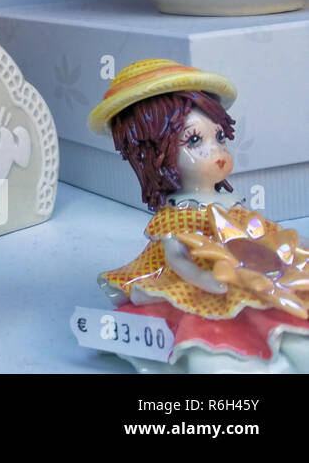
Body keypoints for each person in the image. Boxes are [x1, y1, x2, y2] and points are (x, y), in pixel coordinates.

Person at [92, 59, 309, 372]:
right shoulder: (176, 214)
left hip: (251, 273)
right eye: (194, 141)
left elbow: (261, 231)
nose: (217, 151)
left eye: (219, 137)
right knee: (213, 329)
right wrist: (204, 278)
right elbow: (177, 257)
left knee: (280, 312)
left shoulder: (230, 202)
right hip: (202, 283)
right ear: (154, 155)